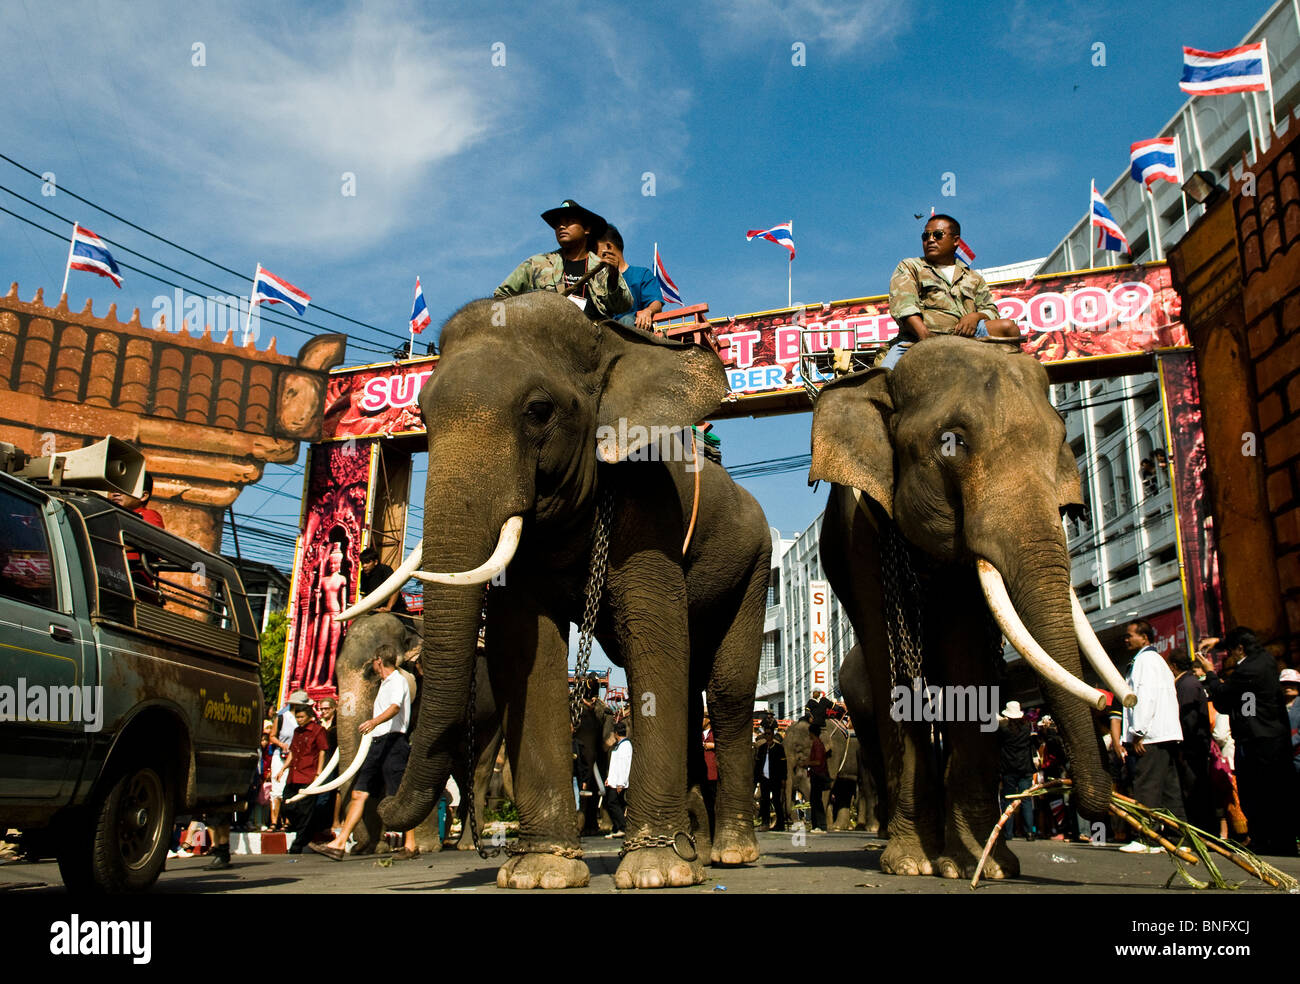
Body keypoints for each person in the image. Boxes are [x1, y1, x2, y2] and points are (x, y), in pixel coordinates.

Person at [1196, 629, 1298, 856]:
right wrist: (1219, 642)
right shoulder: (1265, 660)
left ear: (1240, 649)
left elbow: (1222, 698)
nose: (1230, 655)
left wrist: (1210, 673)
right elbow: (1240, 702)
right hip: (1272, 738)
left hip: (1257, 742)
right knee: (1278, 794)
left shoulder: (1247, 671)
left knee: (1258, 794)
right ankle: (1280, 841)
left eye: (1231, 650)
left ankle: (1266, 841)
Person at [312, 645, 417, 860]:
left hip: (393, 742)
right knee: (359, 792)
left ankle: (411, 844)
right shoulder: (385, 683)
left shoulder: (397, 681)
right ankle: (339, 844)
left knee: (398, 795)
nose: (373, 665)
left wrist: (373, 721)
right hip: (377, 742)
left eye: (374, 661)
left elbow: (395, 707)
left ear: (379, 660)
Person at [883, 214, 1021, 370]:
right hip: (919, 337)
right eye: (925, 236)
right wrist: (926, 338)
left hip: (968, 335)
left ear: (956, 241)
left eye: (938, 235)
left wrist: (975, 317)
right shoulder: (911, 266)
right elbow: (904, 306)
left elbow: (991, 310)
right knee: (883, 379)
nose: (930, 240)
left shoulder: (974, 277)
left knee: (1008, 328)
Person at [495, 199, 632, 321]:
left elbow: (624, 306)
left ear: (587, 229)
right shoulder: (537, 264)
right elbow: (500, 296)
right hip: (548, 338)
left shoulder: (603, 267)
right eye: (558, 224)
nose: (561, 226)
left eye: (569, 222)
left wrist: (613, 277)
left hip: (593, 339)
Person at [1119, 620, 1186, 853]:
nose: (1126, 639)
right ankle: (1177, 838)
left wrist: (1138, 732)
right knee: (1169, 789)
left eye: (1130, 635)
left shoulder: (1145, 662)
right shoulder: (1158, 661)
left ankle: (1146, 837)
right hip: (1165, 734)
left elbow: (1144, 698)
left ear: (1144, 638)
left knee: (1146, 785)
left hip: (1151, 735)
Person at [1172, 649, 1215, 832]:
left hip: (1192, 748)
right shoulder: (1186, 682)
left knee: (1195, 791)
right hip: (1193, 746)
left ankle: (1203, 830)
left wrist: (1183, 744)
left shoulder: (1187, 684)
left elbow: (1188, 719)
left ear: (1173, 666)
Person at [279, 699, 329, 853]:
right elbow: (293, 752)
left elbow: (322, 751)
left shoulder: (318, 730)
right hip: (294, 774)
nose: (298, 720)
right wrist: (283, 768)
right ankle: (306, 832)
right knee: (287, 806)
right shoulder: (296, 731)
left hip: (308, 774)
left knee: (305, 811)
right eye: (297, 717)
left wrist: (318, 773)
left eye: (301, 717)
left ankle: (297, 845)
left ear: (309, 716)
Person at [595, 225, 663, 330]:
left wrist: (647, 311)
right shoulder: (596, 282)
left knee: (627, 321)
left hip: (632, 329)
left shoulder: (642, 274)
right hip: (604, 330)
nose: (591, 255)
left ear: (608, 247)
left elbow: (656, 302)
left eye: (594, 249)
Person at [997, 701, 1036, 840]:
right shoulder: (1026, 727)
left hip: (1009, 768)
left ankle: (1008, 833)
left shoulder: (1004, 728)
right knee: (1025, 799)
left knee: (1008, 799)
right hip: (1025, 767)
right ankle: (1030, 832)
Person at [753, 723, 787, 831]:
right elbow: (758, 764)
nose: (767, 736)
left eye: (769, 733)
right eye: (765, 734)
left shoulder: (779, 748)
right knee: (765, 801)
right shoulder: (762, 748)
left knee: (777, 801)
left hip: (775, 778)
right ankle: (765, 823)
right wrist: (757, 778)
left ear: (772, 734)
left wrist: (783, 778)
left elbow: (783, 765)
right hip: (764, 778)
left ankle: (780, 824)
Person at [358, 547, 408, 615]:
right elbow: (364, 596)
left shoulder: (385, 570)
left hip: (395, 609)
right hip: (376, 609)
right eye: (362, 563)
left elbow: (395, 589)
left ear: (375, 562)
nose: (364, 566)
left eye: (367, 562)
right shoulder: (363, 575)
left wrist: (388, 607)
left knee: (407, 625)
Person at [603, 723, 631, 838]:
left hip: (619, 783)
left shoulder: (625, 746)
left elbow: (624, 766)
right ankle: (616, 828)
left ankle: (622, 827)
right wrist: (609, 779)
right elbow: (615, 765)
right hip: (614, 781)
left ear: (615, 733)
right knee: (615, 803)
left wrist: (621, 783)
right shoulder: (619, 745)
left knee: (612, 803)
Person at [807, 723, 830, 832]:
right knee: (814, 800)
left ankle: (821, 825)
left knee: (816, 800)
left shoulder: (817, 744)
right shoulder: (817, 743)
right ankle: (816, 825)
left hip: (817, 774)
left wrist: (807, 763)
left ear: (812, 733)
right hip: (815, 774)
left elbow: (818, 761)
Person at [701, 713, 718, 836]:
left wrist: (712, 745)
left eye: (703, 718)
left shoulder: (714, 733)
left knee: (712, 804)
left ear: (708, 720)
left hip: (713, 774)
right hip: (702, 774)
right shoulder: (699, 734)